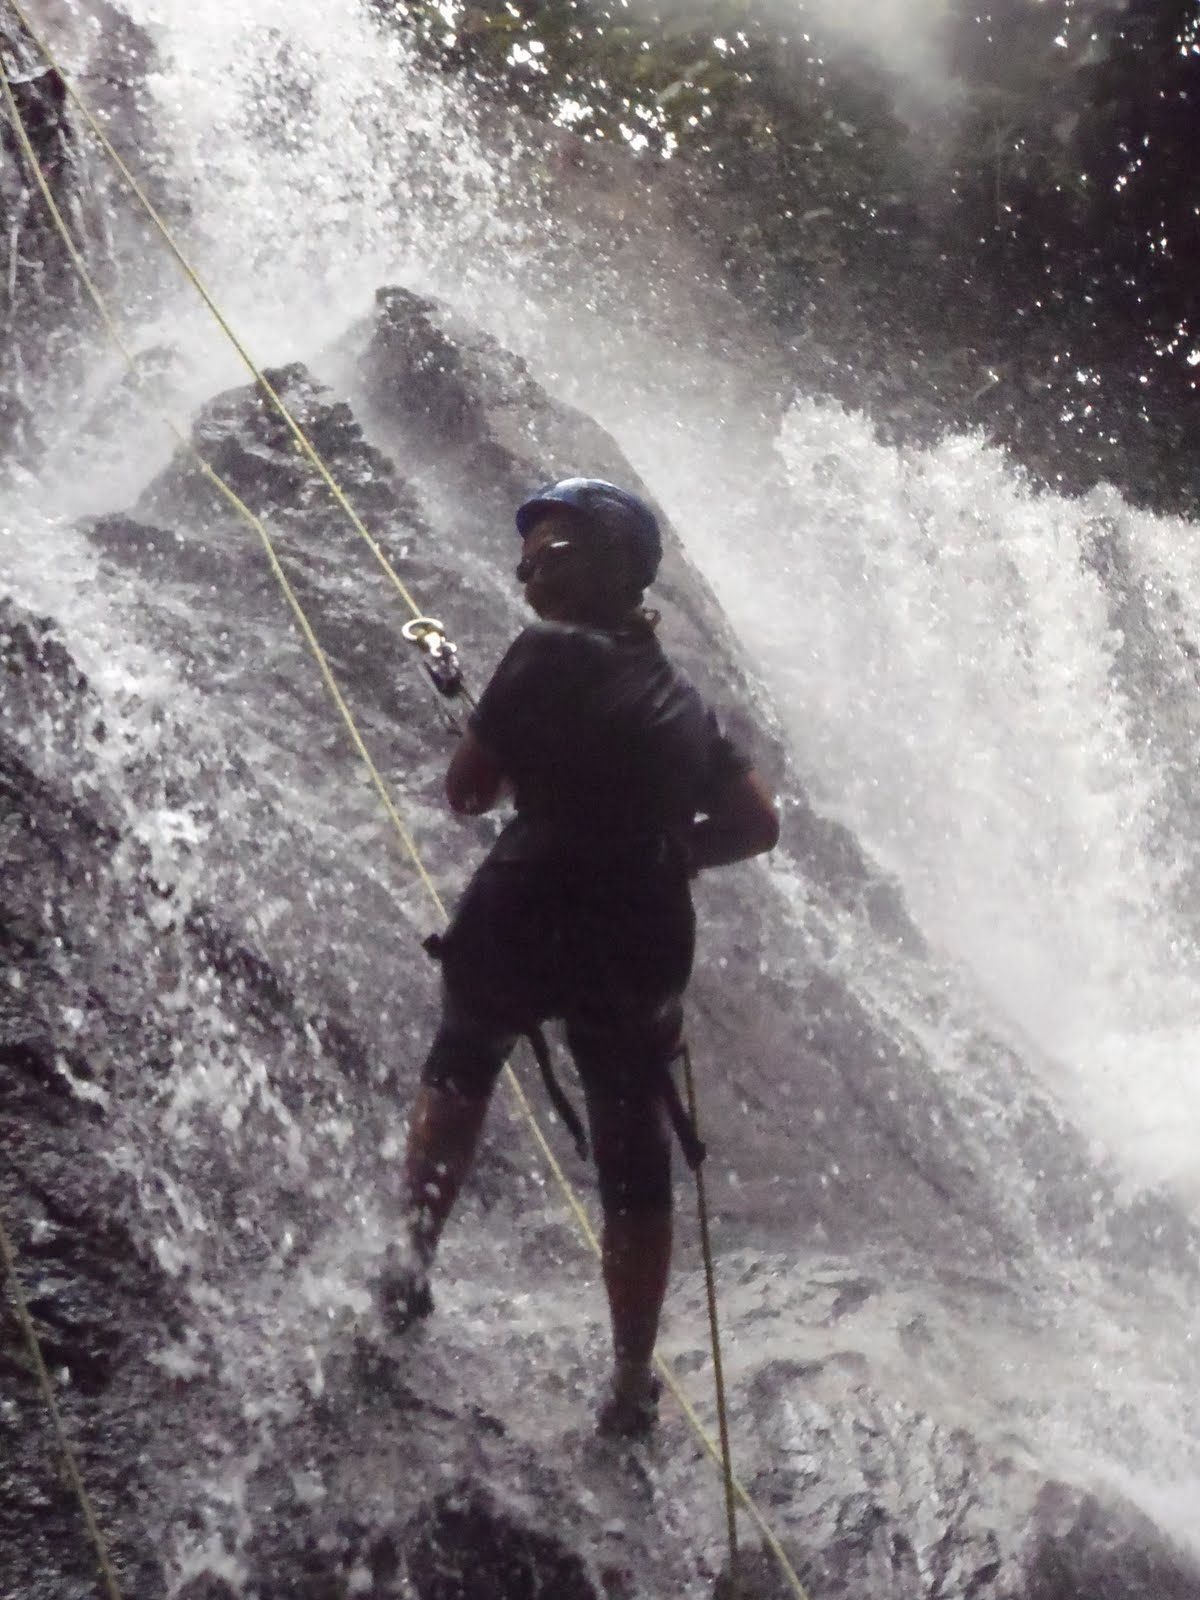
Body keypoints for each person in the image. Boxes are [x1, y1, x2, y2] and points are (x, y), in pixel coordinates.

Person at [376, 478, 779, 1435]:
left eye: (549, 552)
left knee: (465, 1060)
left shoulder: (546, 649)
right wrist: (675, 848)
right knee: (634, 1149)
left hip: (533, 893)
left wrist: (507, 745)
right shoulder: (686, 703)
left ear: (610, 566)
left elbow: (470, 794)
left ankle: (407, 1270)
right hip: (643, 927)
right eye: (526, 557)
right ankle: (632, 1382)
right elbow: (757, 824)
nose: (527, 570)